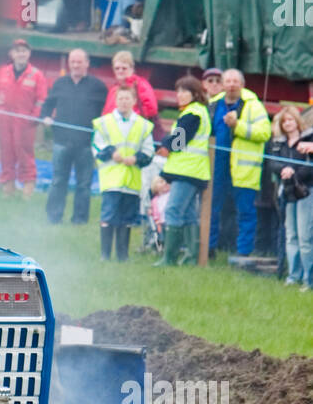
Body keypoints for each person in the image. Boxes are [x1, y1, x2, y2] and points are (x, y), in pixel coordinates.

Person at [207, 69, 271, 257]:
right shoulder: (213, 104)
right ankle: (208, 248)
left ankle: (243, 253)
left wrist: (238, 126)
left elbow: (265, 133)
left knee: (245, 212)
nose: (232, 84)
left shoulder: (254, 106)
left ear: (242, 84)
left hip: (243, 169)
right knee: (211, 209)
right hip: (215, 167)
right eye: (228, 81)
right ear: (223, 84)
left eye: (236, 81)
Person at [42, 48, 107, 224]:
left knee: (84, 184)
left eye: (79, 62)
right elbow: (47, 105)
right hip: (61, 142)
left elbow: (105, 114)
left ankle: (79, 220)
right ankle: (54, 217)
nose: (76, 65)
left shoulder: (98, 87)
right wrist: (46, 117)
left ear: (87, 63)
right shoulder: (60, 83)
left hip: (85, 144)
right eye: (73, 62)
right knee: (58, 181)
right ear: (69, 63)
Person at [154, 75, 211, 266]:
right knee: (187, 214)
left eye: (184, 91)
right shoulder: (197, 112)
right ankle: (190, 257)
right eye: (178, 91)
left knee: (173, 211)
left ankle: (169, 258)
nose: (179, 95)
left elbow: (178, 143)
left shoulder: (192, 114)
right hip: (192, 171)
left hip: (188, 171)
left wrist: (164, 142)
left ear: (194, 93)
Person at [92, 85, 154, 261]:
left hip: (131, 181)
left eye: (127, 98)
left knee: (127, 217)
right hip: (112, 179)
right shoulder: (104, 122)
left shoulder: (143, 125)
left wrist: (137, 158)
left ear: (134, 101)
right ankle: (105, 254)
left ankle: (122, 256)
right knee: (109, 215)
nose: (124, 102)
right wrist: (111, 153)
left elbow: (149, 150)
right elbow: (97, 145)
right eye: (120, 99)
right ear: (115, 101)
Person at [0, 37, 47, 197]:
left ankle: (28, 188)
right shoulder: (2, 72)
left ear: (29, 54)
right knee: (6, 153)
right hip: (4, 120)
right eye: (18, 51)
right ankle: (9, 187)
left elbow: (41, 100)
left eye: (24, 51)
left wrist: (33, 119)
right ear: (11, 54)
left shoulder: (36, 75)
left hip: (25, 122)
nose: (21, 54)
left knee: (25, 153)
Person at [271, 105, 313, 290]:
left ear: (297, 121)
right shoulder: (278, 144)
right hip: (287, 193)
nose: (288, 123)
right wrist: (282, 169)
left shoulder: (308, 140)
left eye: (291, 119)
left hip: (306, 191)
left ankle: (307, 279)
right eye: (284, 121)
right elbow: (272, 163)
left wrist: (292, 171)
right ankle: (293, 275)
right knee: (291, 236)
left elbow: (309, 167)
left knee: (305, 237)